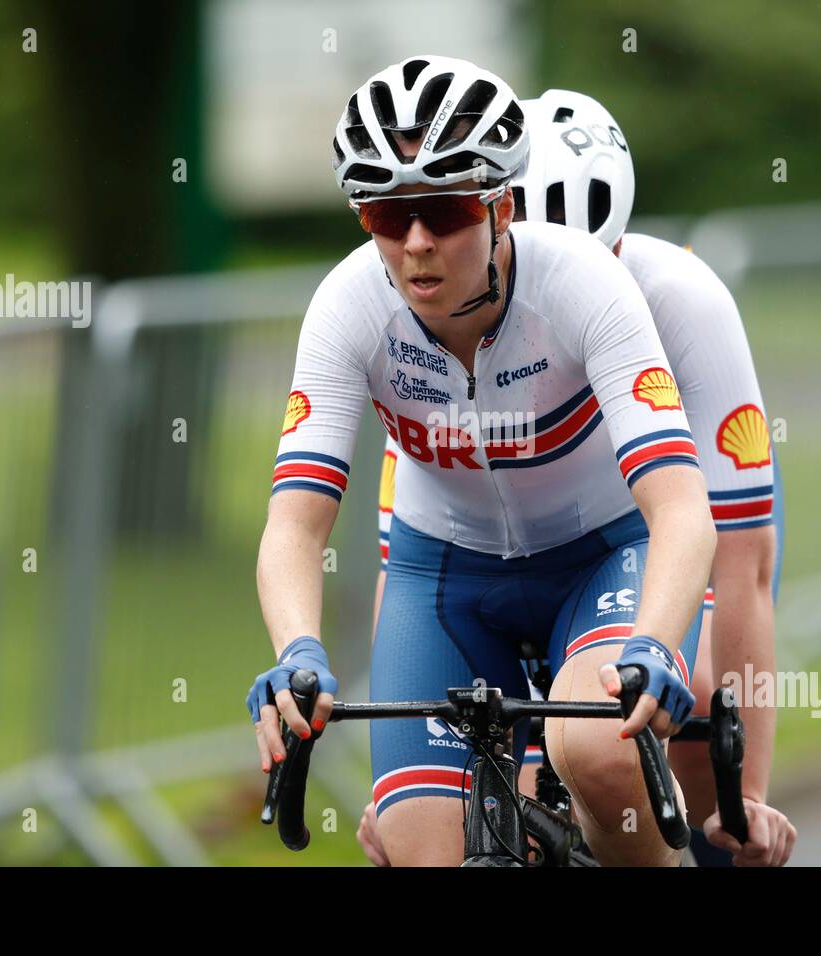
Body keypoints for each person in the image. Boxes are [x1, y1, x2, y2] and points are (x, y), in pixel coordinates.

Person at [247, 55, 790, 866]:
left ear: (501, 206)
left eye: (446, 210)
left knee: (602, 752)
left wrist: (655, 646)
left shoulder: (588, 286)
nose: (418, 242)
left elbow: (687, 513)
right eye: (389, 218)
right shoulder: (347, 306)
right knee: (415, 845)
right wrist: (297, 652)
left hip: (603, 556)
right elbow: (295, 524)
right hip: (448, 573)